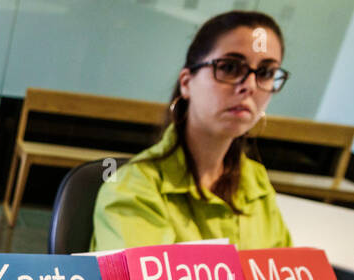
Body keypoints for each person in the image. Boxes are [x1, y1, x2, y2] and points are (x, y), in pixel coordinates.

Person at [92, 11, 293, 251]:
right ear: (187, 82)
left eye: (266, 73)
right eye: (229, 67)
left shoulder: (256, 181)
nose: (249, 86)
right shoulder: (132, 189)